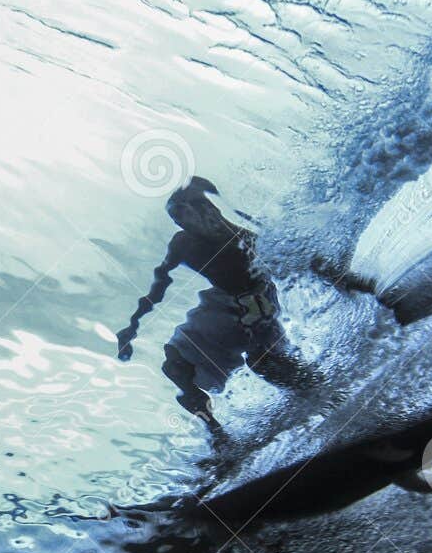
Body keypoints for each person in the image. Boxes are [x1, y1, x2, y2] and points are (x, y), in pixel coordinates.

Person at [115, 177, 311, 441]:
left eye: (195, 211)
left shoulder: (244, 238)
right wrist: (132, 326)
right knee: (174, 363)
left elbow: (296, 259)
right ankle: (219, 437)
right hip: (221, 302)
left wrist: (355, 282)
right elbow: (159, 285)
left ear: (210, 209)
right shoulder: (183, 244)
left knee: (261, 361)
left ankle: (312, 388)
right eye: (181, 219)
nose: (191, 221)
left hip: (257, 299)